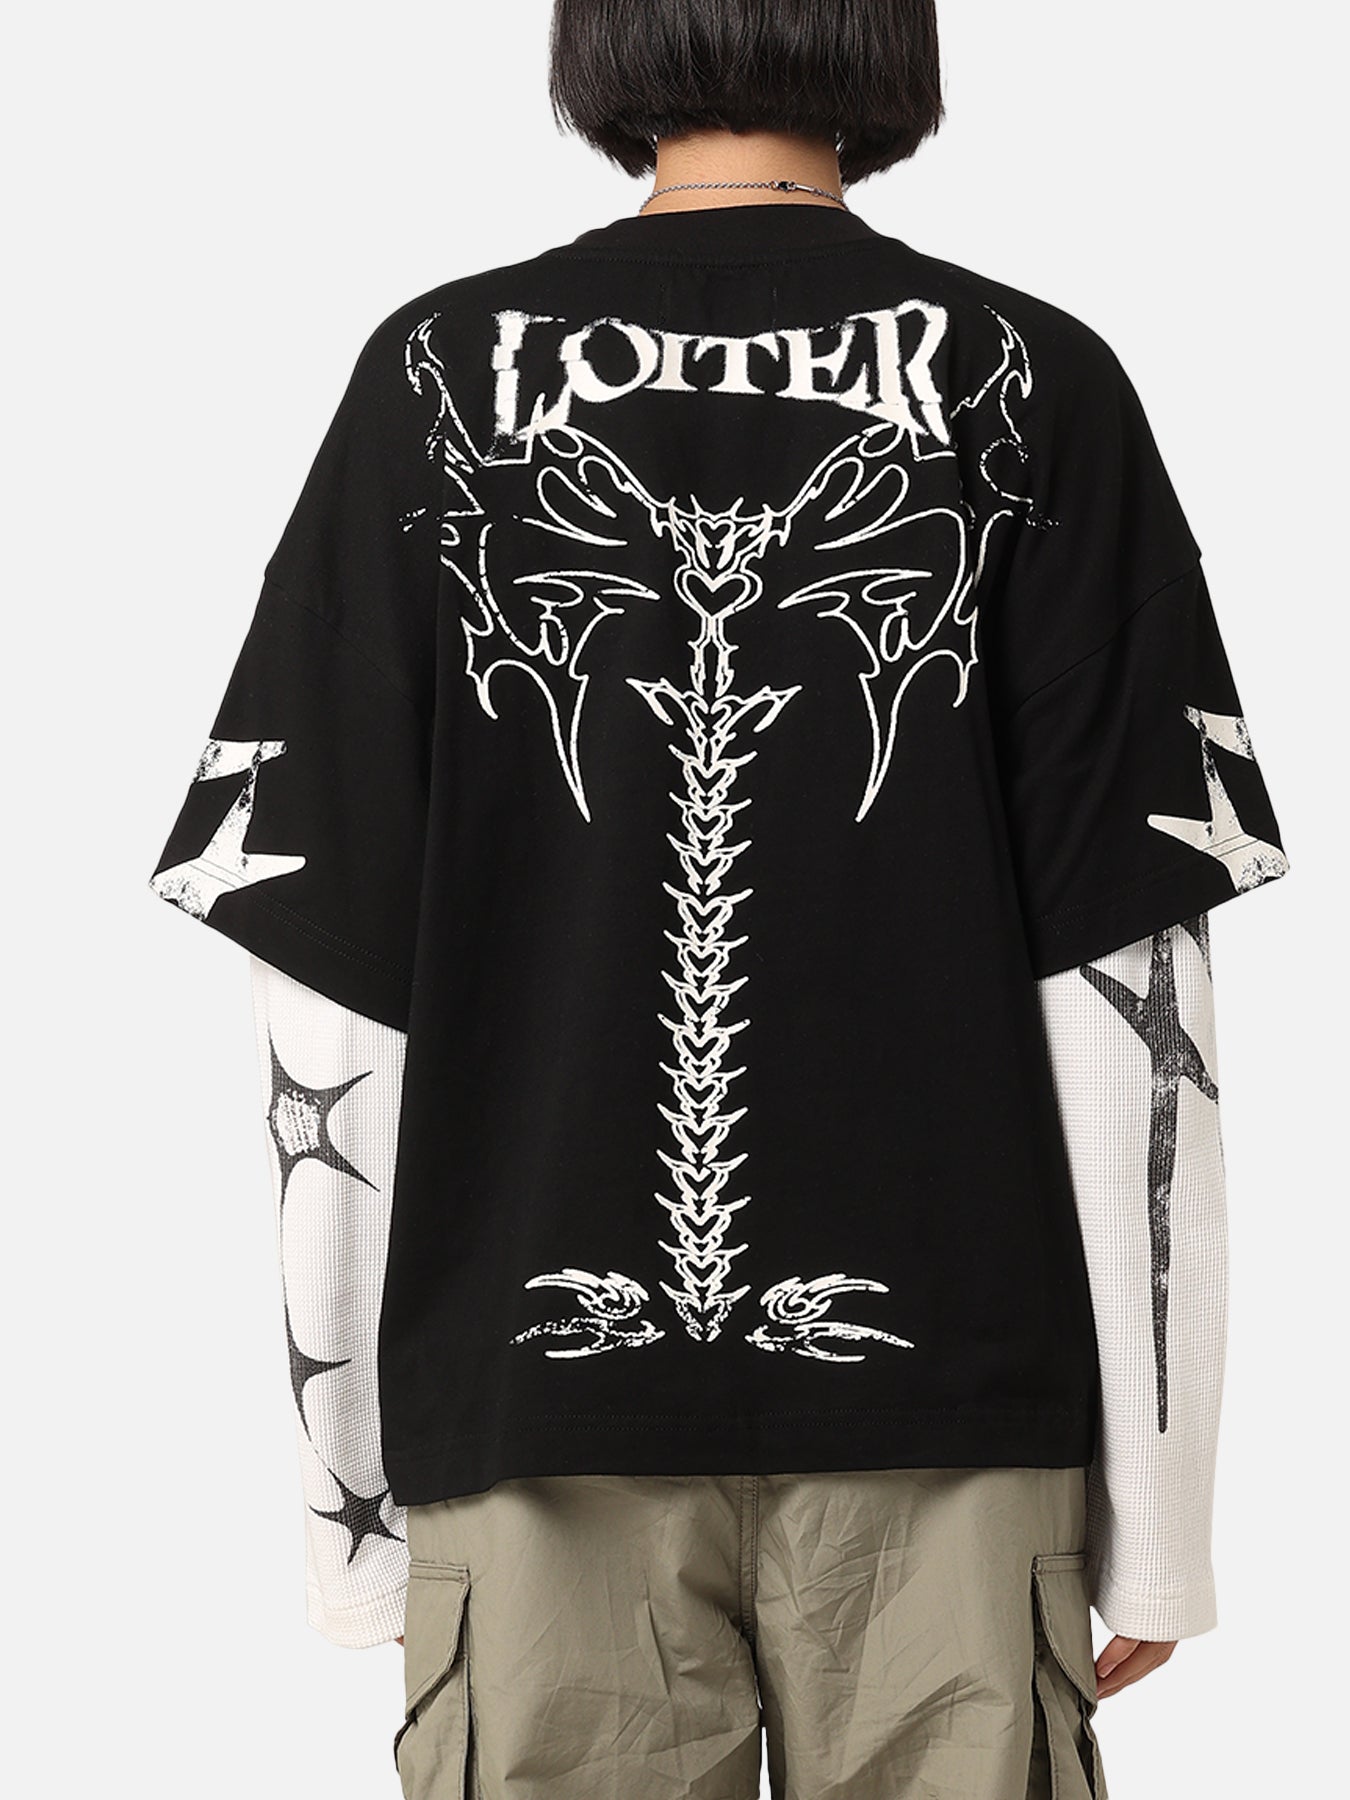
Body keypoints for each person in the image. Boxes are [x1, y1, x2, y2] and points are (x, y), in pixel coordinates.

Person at [146, 2, 1289, 1794]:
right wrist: (1157, 1513)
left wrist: (351, 1494)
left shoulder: (433, 376)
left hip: (529, 1410)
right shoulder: (1029, 377)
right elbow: (1132, 995)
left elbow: (329, 981)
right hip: (953, 1401)